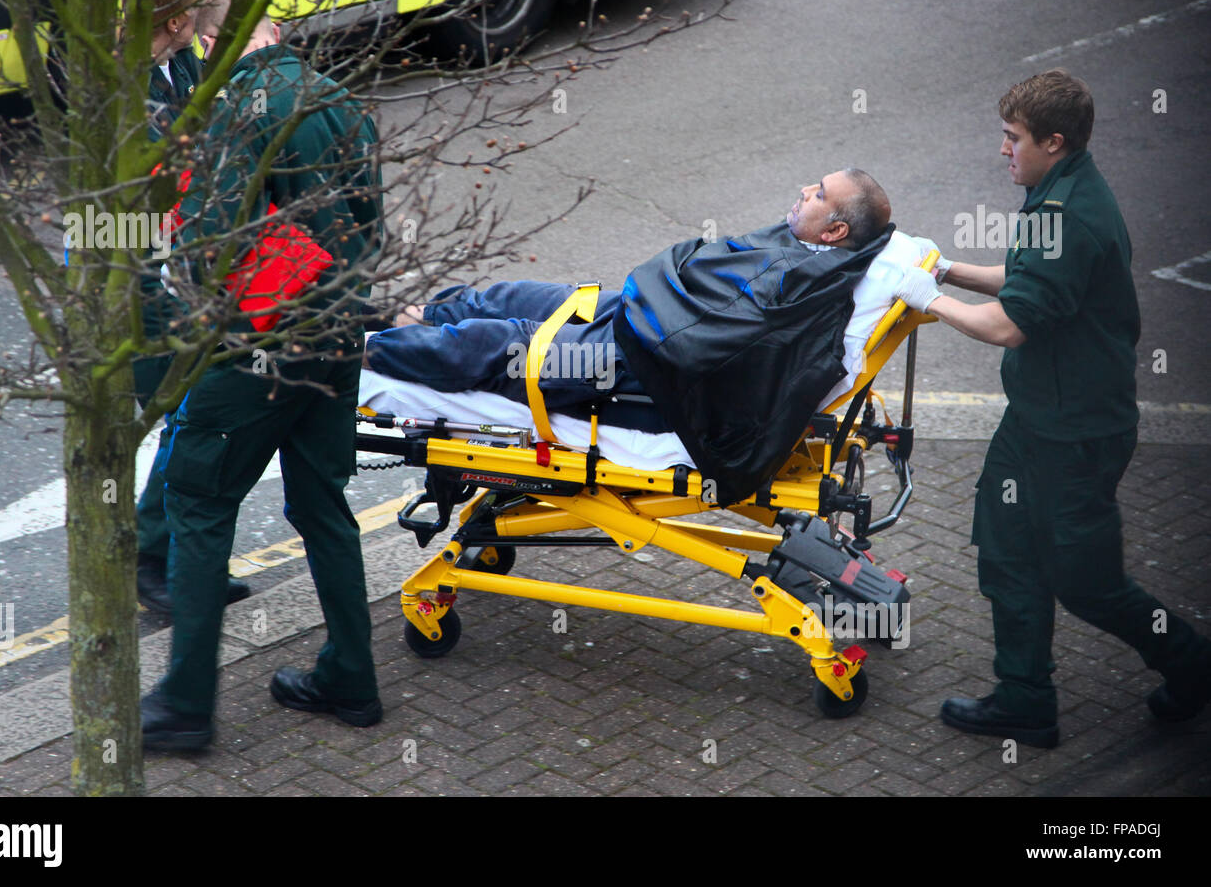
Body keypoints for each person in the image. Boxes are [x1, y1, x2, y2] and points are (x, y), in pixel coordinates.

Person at [893, 69, 1211, 747]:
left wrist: (926, 299)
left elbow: (1010, 324)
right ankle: (1024, 697)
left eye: (1013, 139)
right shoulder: (1061, 193)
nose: (1002, 151)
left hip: (1076, 435)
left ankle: (1193, 664)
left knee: (1086, 581)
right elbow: (1025, 277)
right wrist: (945, 271)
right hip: (1038, 420)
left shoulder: (1066, 216)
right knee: (1008, 551)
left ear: (1055, 142)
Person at [140, 0, 385, 750]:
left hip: (258, 346)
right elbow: (368, 225)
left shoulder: (231, 115)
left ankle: (184, 705)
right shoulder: (339, 100)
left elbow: (213, 246)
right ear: (276, 33)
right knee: (322, 510)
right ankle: (352, 677)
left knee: (198, 505)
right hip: (339, 336)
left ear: (212, 44)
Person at [365, 168, 898, 505]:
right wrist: (651, 290)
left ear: (834, 232)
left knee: (493, 345)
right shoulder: (810, 255)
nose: (805, 190)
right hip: (634, 317)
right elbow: (700, 280)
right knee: (508, 296)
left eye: (819, 194)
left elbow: (694, 342)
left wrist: (654, 290)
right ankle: (390, 316)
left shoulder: (798, 287)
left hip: (635, 364)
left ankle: (353, 353)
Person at [132, 0, 251, 614]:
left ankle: (180, 556)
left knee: (195, 414)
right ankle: (154, 557)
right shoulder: (128, 99)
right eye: (194, 19)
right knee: (189, 413)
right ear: (176, 22)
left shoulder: (183, 70)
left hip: (184, 272)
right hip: (141, 288)